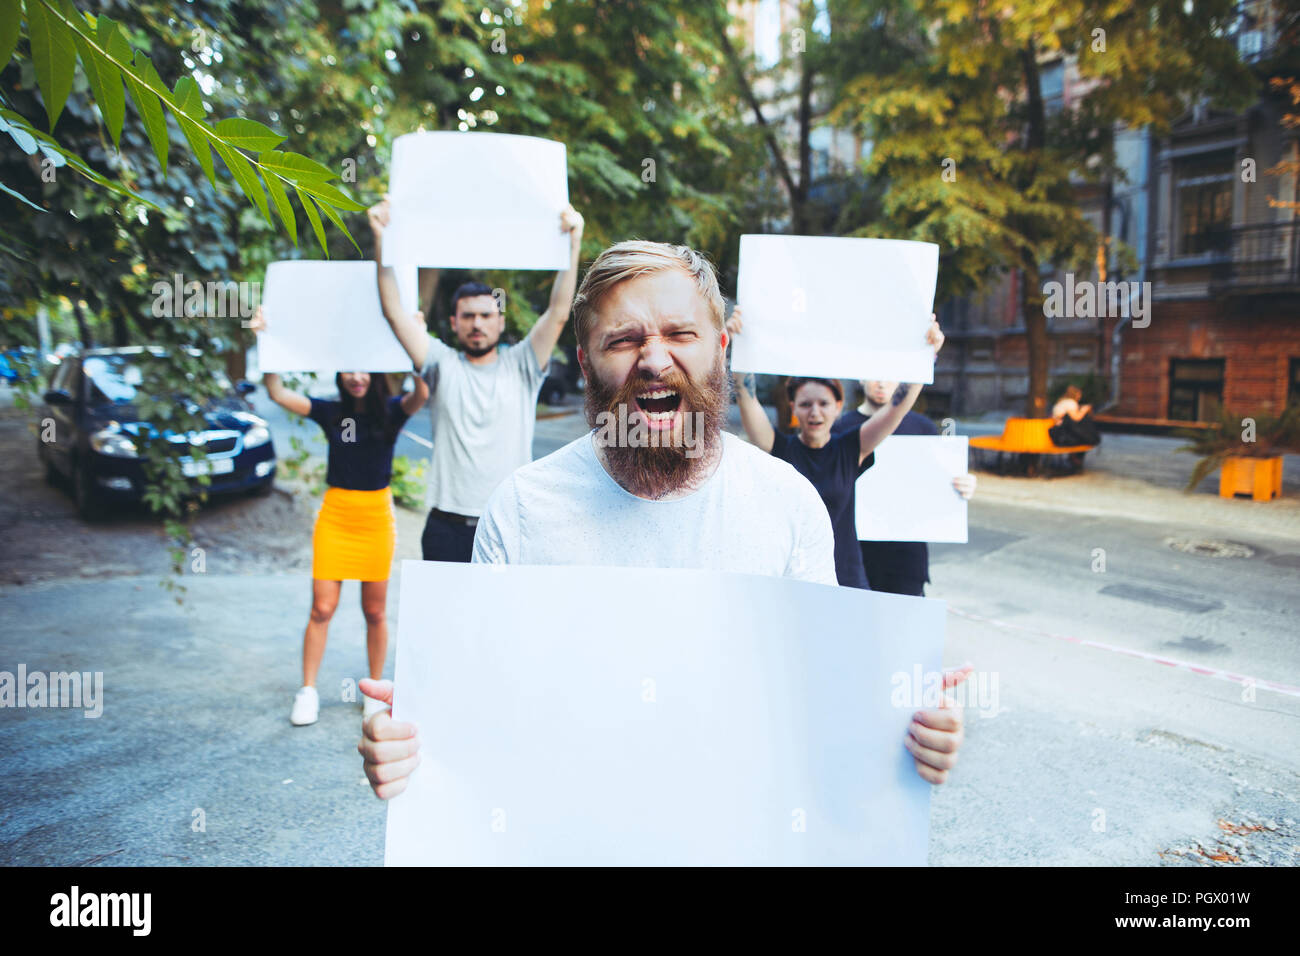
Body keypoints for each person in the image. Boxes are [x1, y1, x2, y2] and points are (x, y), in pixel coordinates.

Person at [358, 240, 970, 799]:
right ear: (585, 359)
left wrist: (910, 735)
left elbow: (824, 692)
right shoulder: (521, 511)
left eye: (681, 333)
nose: (654, 360)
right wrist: (412, 748)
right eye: (622, 340)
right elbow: (479, 705)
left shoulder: (788, 503)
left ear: (721, 348)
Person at [368, 196, 585, 562]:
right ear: (454, 323)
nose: (477, 324)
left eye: (486, 315)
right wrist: (380, 238)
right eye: (468, 316)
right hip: (446, 527)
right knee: (443, 621)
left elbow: (559, 312)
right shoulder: (440, 364)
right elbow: (393, 313)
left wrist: (573, 241)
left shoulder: (524, 365)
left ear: (500, 321)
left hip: (508, 523)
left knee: (504, 620)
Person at [253, 307, 430, 727]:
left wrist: (418, 336)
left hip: (374, 518)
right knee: (322, 608)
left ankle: (373, 689)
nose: (356, 376)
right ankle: (308, 690)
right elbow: (277, 392)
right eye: (349, 368)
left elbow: (422, 392)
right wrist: (266, 338)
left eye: (365, 369)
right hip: (336, 515)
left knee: (375, 612)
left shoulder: (391, 409)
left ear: (376, 372)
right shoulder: (330, 411)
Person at [727, 307, 946, 590]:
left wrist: (924, 355)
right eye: (806, 404)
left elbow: (897, 407)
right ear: (793, 408)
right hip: (792, 579)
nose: (815, 412)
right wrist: (740, 346)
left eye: (824, 404)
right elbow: (746, 396)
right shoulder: (780, 449)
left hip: (847, 579)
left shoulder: (850, 448)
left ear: (838, 407)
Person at [834, 380, 977, 596]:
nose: (881, 383)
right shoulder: (841, 428)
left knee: (904, 626)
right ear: (861, 378)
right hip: (854, 555)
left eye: (889, 374)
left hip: (907, 557)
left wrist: (962, 485)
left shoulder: (922, 427)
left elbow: (937, 482)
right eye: (874, 373)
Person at [1049, 384, 1101, 465]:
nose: (1080, 396)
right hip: (1062, 435)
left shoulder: (1062, 402)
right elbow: (1076, 418)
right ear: (1076, 394)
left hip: (1059, 433)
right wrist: (1084, 410)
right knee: (1086, 438)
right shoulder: (1070, 403)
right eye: (1079, 394)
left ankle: (1073, 458)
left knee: (1084, 436)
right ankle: (1075, 459)